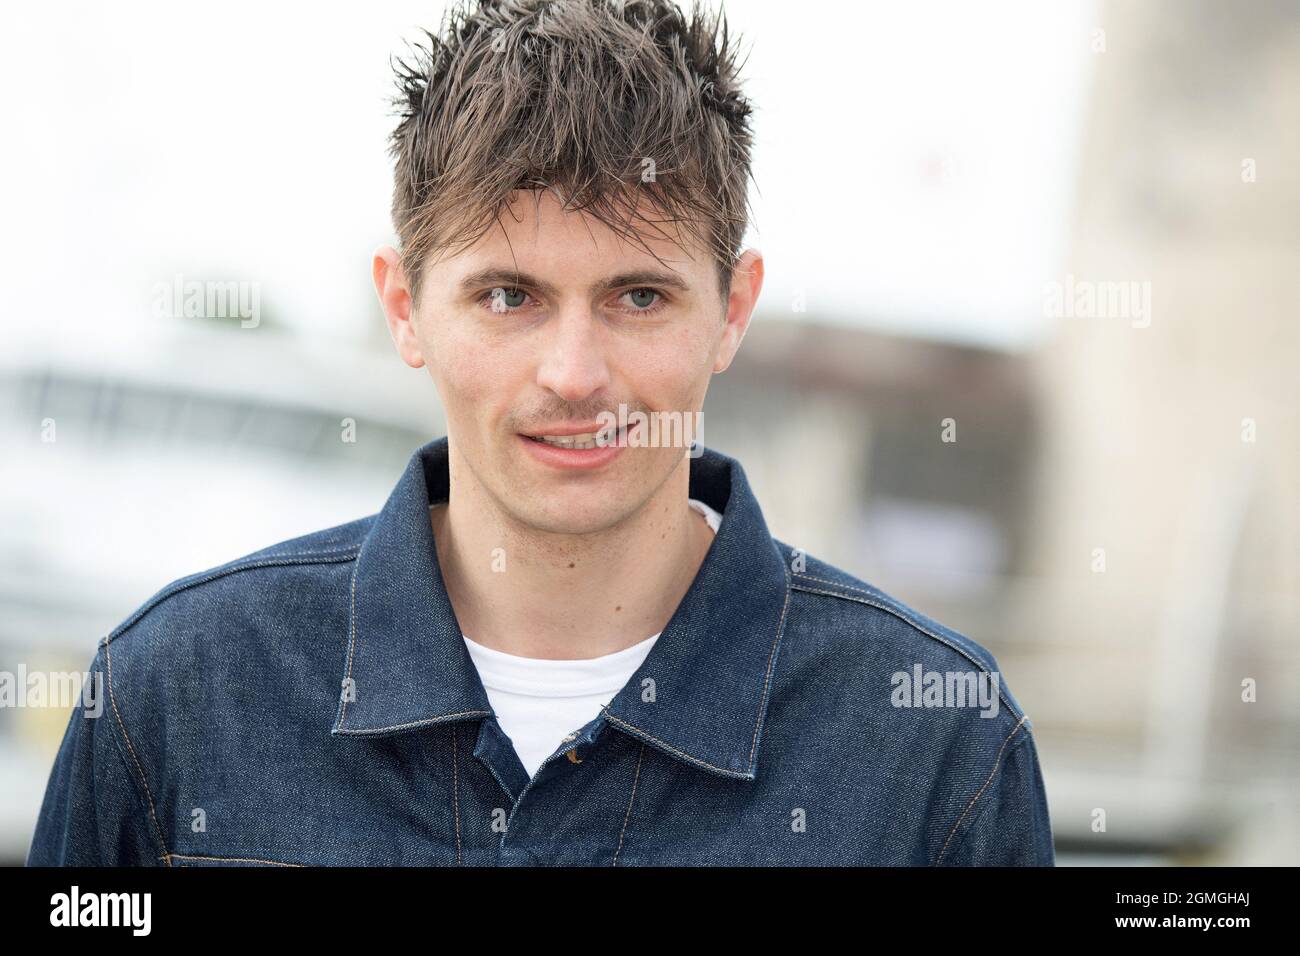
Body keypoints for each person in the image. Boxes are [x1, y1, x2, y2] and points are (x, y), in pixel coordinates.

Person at [27, 0, 1053, 866]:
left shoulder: (934, 743)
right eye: (509, 294)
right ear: (404, 307)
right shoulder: (176, 694)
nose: (573, 373)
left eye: (639, 296)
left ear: (733, 310)